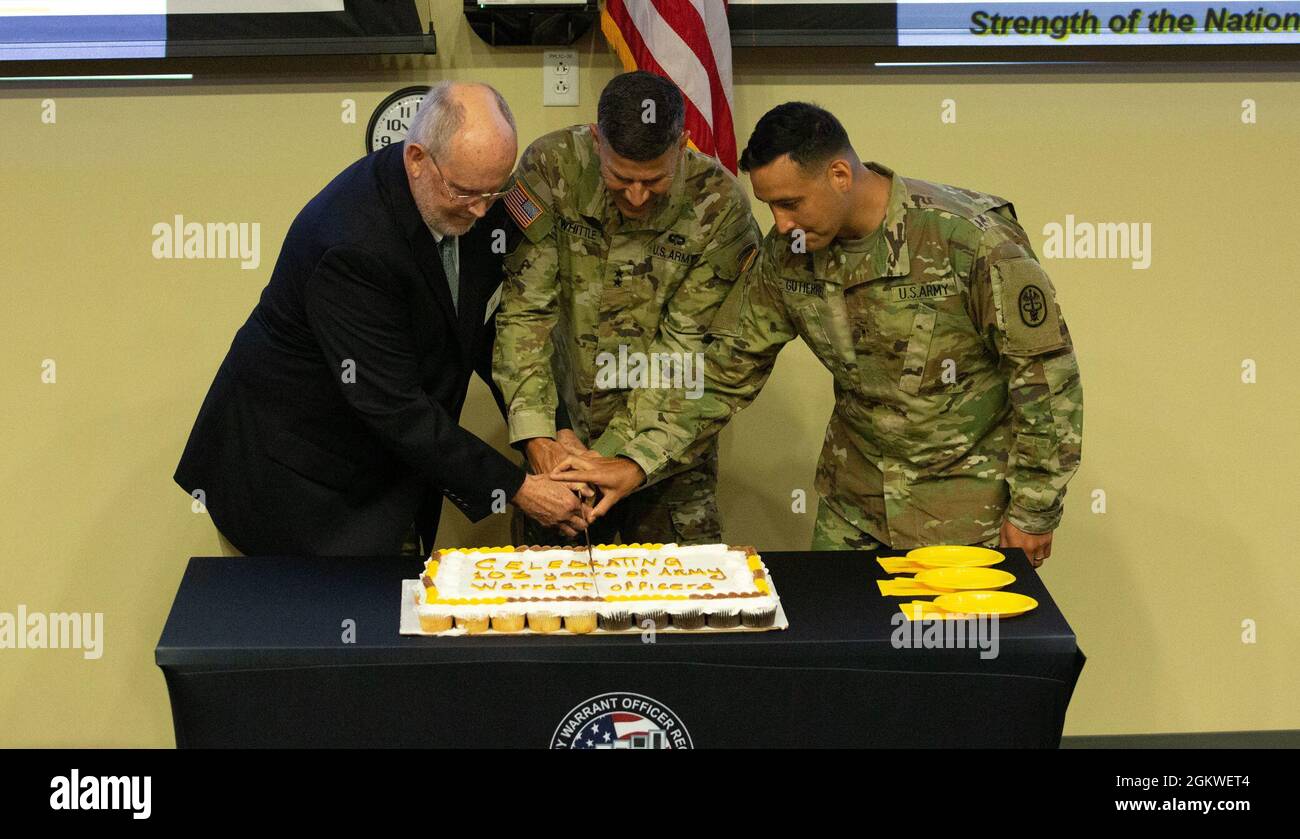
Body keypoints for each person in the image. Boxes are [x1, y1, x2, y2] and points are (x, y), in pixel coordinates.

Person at [553, 102, 1083, 567]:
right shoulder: (788, 256)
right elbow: (721, 371)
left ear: (839, 174)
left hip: (965, 513)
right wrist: (629, 458)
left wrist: (1035, 508)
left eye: (791, 203)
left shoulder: (968, 240)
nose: (781, 225)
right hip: (852, 509)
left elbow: (1045, 381)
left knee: (951, 673)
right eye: (770, 208)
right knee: (839, 672)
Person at [174, 81, 588, 556]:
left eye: (492, 193)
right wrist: (518, 488)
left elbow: (484, 331)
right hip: (295, 483)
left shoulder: (471, 198)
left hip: (386, 467)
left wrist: (544, 430)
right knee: (309, 627)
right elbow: (393, 406)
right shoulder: (353, 245)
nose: (481, 210)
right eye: (467, 192)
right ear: (417, 159)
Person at [493, 71, 760, 546]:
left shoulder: (719, 208)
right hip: (558, 452)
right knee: (549, 606)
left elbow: (686, 354)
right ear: (597, 141)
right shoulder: (553, 168)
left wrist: (617, 458)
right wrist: (538, 434)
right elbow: (525, 312)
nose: (637, 195)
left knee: (684, 606)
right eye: (621, 178)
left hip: (666, 456)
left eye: (653, 180)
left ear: (682, 144)